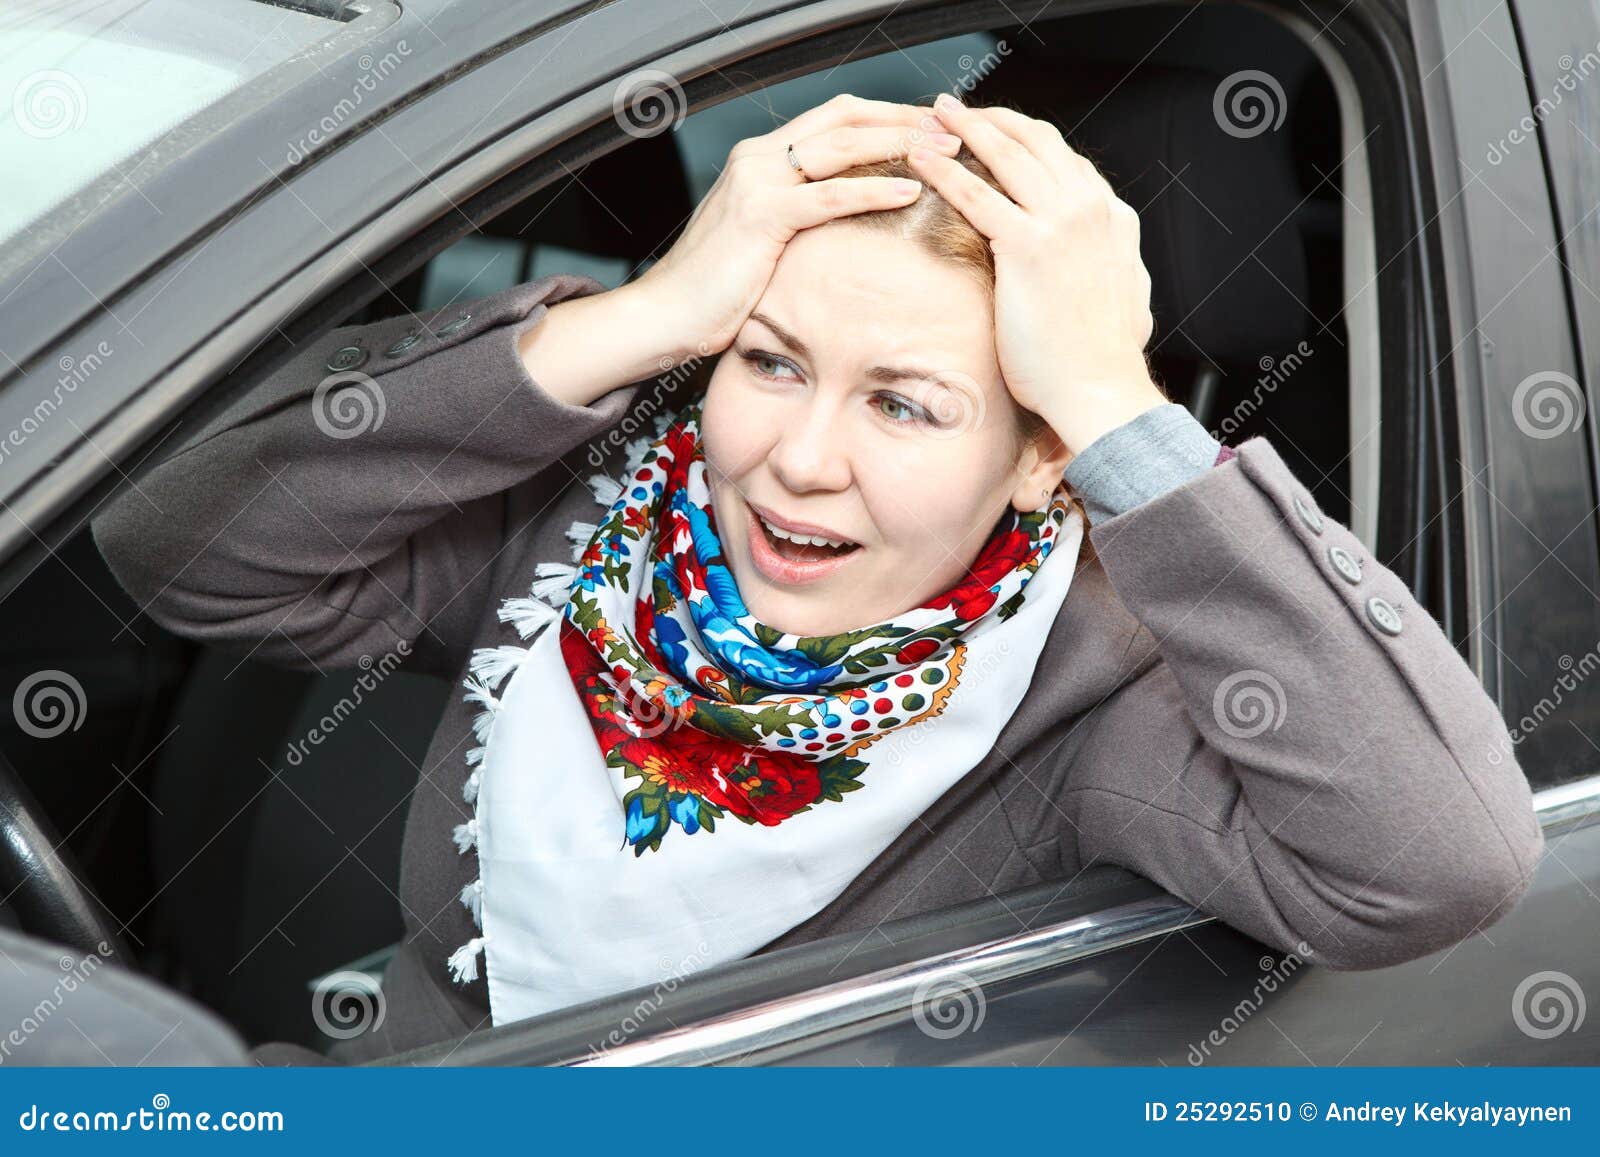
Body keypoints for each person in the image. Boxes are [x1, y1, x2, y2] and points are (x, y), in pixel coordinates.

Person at [91, 93, 1544, 1060]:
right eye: (770, 362)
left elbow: (1441, 862)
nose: (794, 461)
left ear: (1043, 454)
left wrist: (1117, 409)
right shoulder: (602, 523)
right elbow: (177, 544)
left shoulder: (1091, 692)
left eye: (905, 404)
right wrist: (642, 314)